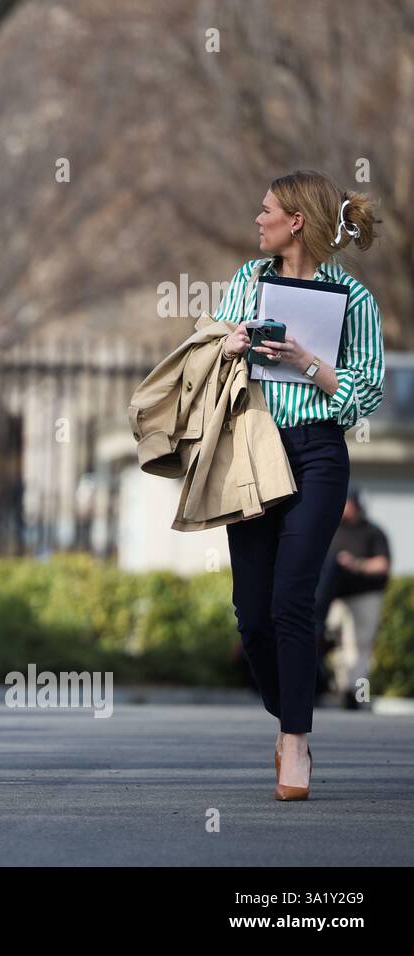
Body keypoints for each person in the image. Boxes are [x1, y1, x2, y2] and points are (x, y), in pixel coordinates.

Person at [214, 169, 384, 800]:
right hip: (253, 451)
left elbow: (365, 392)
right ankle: (288, 711)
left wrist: (310, 363)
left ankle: (295, 744)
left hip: (317, 455)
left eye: (267, 212)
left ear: (297, 223)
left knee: (293, 600)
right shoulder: (247, 281)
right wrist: (228, 344)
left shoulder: (354, 300)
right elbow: (207, 351)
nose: (256, 220)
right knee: (252, 616)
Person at [316, 488, 390, 708]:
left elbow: (382, 565)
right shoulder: (333, 529)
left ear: (355, 505)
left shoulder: (372, 532)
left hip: (364, 596)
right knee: (329, 641)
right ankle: (340, 689)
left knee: (358, 645)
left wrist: (356, 564)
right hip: (336, 598)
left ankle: (355, 696)